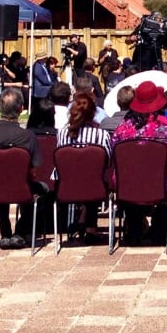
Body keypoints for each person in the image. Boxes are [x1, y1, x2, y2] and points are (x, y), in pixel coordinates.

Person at [111, 81, 167, 245]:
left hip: (129, 183)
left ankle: (134, 229)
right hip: (163, 182)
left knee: (130, 179)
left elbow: (113, 152)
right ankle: (159, 228)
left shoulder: (122, 129)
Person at [0, 89, 45, 249]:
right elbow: (34, 171)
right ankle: (20, 231)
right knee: (40, 189)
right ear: (21, 109)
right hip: (22, 188)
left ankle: (5, 233)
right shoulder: (27, 136)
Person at [56, 90, 111, 243]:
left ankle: (81, 220)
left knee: (85, 175)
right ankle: (90, 227)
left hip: (68, 183)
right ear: (94, 113)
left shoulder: (62, 134)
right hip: (94, 184)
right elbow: (107, 161)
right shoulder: (101, 135)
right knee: (93, 176)